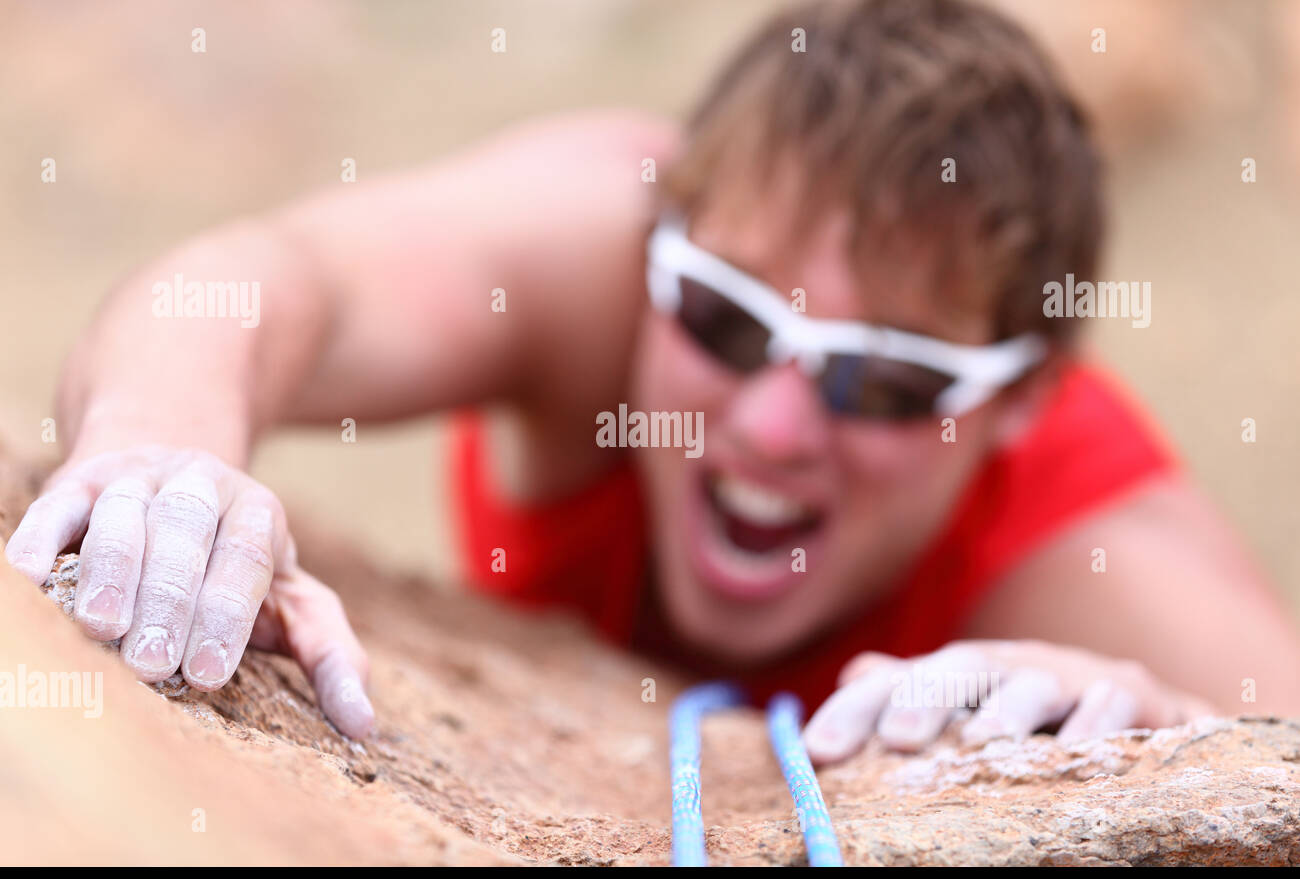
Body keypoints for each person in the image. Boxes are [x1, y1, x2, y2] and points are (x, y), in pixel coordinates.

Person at [7, 0, 1298, 761]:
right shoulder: (595, 250)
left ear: (1017, 404)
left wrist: (1172, 733)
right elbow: (259, 280)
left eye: (888, 383)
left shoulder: (1088, 560)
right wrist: (162, 452)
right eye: (726, 322)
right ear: (660, 236)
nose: (777, 425)